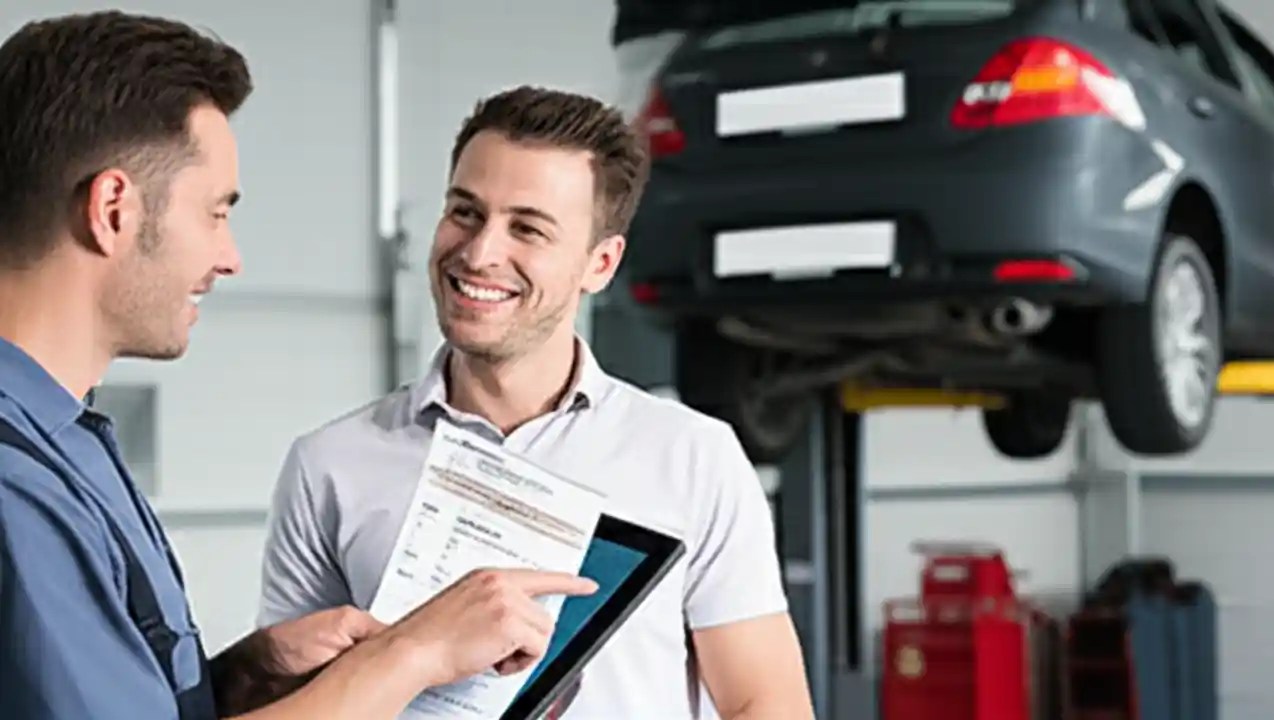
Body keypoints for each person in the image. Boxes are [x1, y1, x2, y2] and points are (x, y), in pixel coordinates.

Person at [0, 11, 597, 720]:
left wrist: (240, 679)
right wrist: (413, 654)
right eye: (216, 213)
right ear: (113, 210)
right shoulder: (18, 485)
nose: (229, 257)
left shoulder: (64, 442)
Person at [256, 85, 816, 719]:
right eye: (465, 212)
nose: (480, 253)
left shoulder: (693, 459)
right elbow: (292, 699)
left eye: (527, 228)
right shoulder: (330, 466)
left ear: (600, 264)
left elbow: (764, 703)